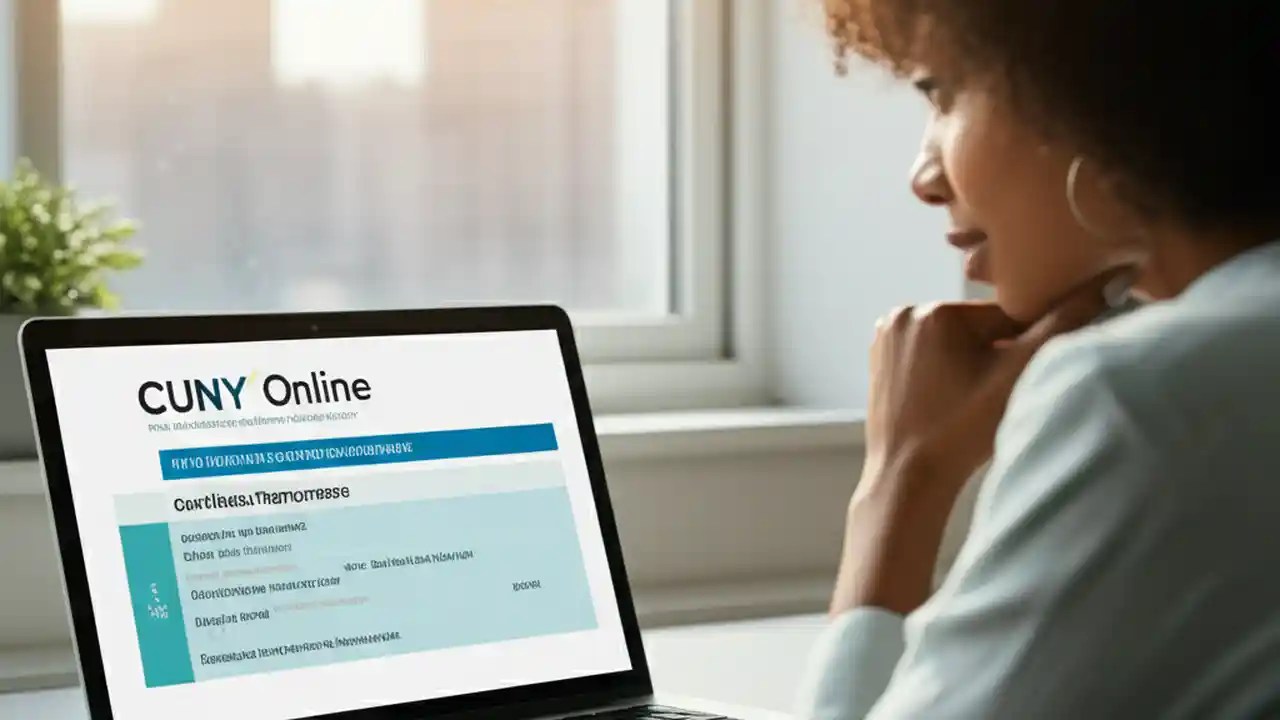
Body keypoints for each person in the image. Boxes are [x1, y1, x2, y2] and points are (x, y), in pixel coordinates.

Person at [793, 0, 1280, 718]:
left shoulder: (1140, 402)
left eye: (942, 93)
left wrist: (902, 483)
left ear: (1092, 87)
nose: (924, 177)